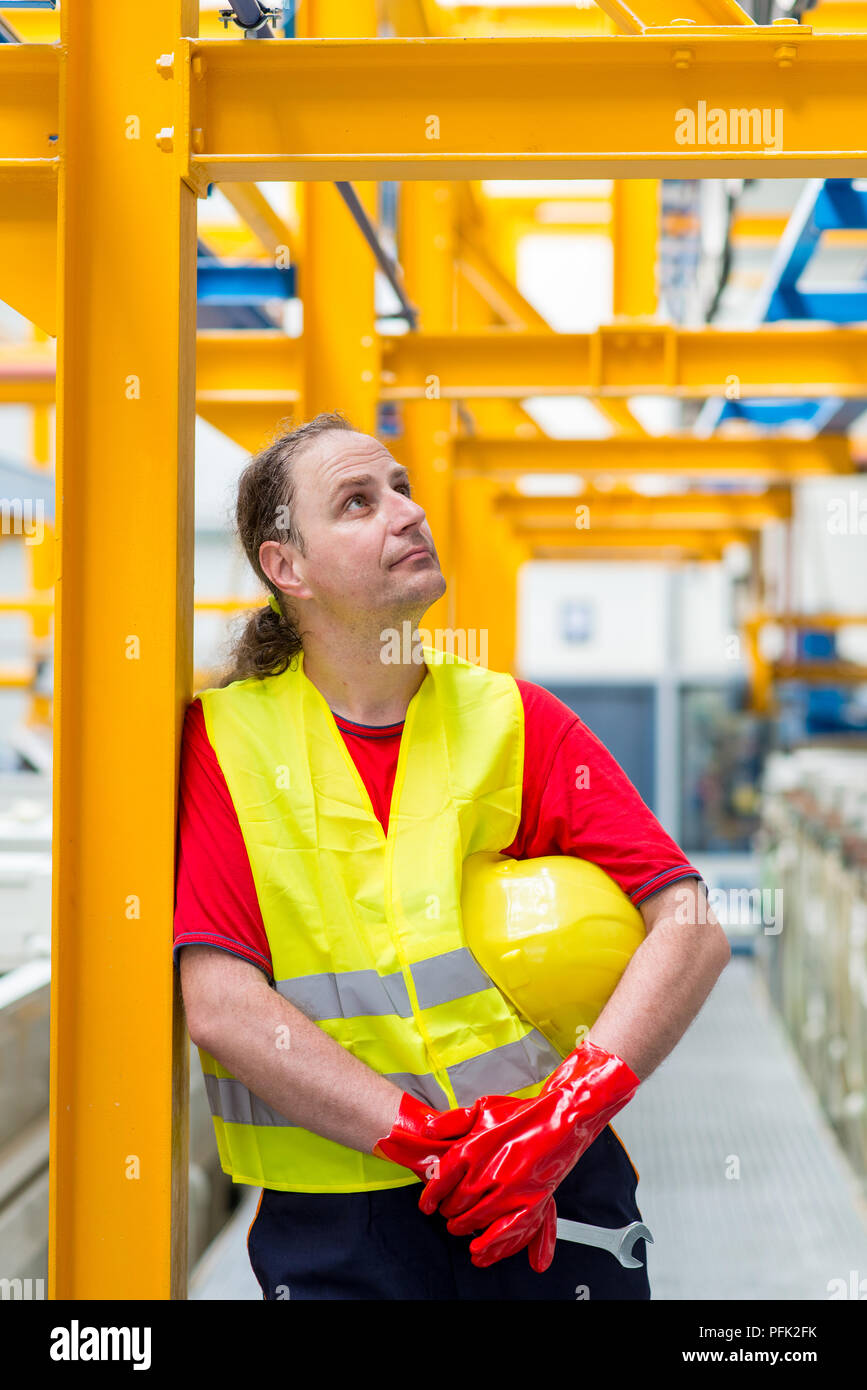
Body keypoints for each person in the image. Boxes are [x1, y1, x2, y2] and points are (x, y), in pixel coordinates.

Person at [173, 410, 731, 1301]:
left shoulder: (514, 720)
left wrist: (565, 1115)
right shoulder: (225, 744)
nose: (405, 511)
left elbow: (691, 924)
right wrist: (429, 1146)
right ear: (287, 568)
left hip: (552, 1190)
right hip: (343, 1215)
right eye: (358, 502)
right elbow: (223, 1005)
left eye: (400, 487)